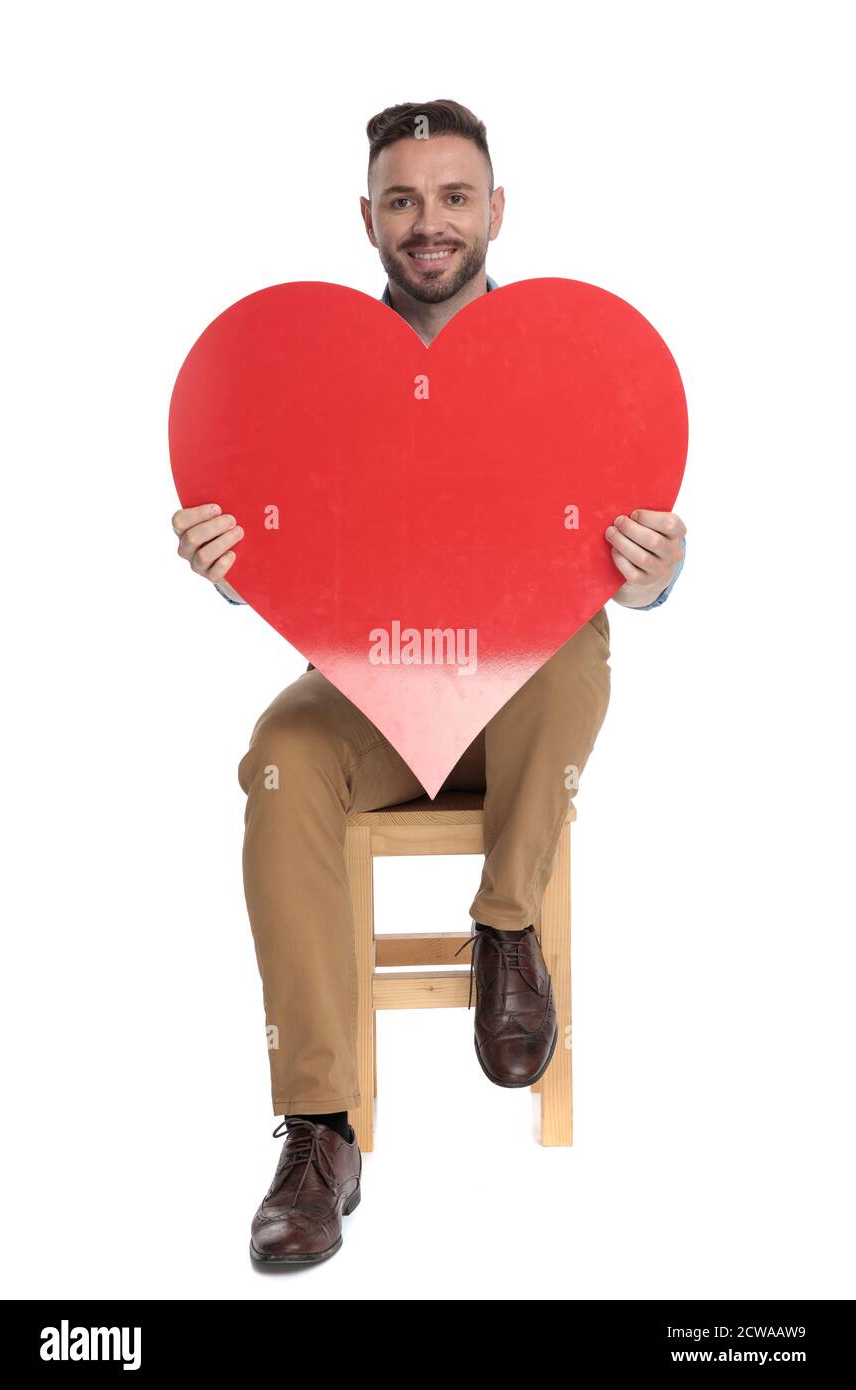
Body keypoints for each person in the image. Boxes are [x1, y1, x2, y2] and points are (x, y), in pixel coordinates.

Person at [170, 100, 688, 1265]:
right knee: (278, 754)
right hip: (369, 688)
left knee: (572, 639)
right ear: (366, 219)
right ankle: (320, 1130)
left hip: (518, 697)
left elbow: (621, 548)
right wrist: (226, 566)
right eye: (401, 199)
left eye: (453, 196)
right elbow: (282, 540)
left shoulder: (565, 361)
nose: (429, 222)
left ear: (495, 210)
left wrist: (658, 575)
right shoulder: (311, 375)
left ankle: (504, 925)